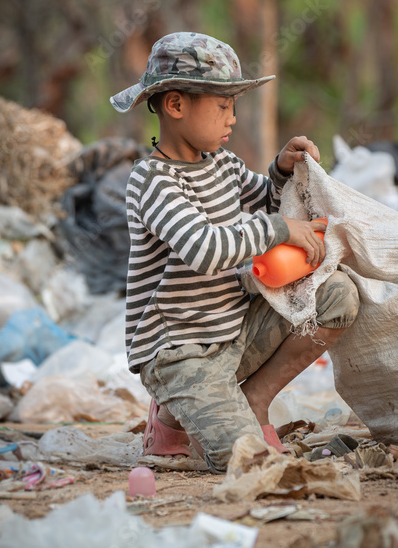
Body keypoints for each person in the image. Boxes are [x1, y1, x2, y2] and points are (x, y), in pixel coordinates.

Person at [110, 31, 360, 473]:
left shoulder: (221, 164)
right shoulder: (153, 182)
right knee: (250, 462)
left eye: (234, 108)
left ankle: (254, 400)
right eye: (223, 106)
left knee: (338, 295)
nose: (232, 119)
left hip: (234, 332)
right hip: (182, 351)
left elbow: (264, 200)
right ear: (176, 105)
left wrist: (281, 170)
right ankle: (173, 411)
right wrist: (280, 228)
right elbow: (205, 248)